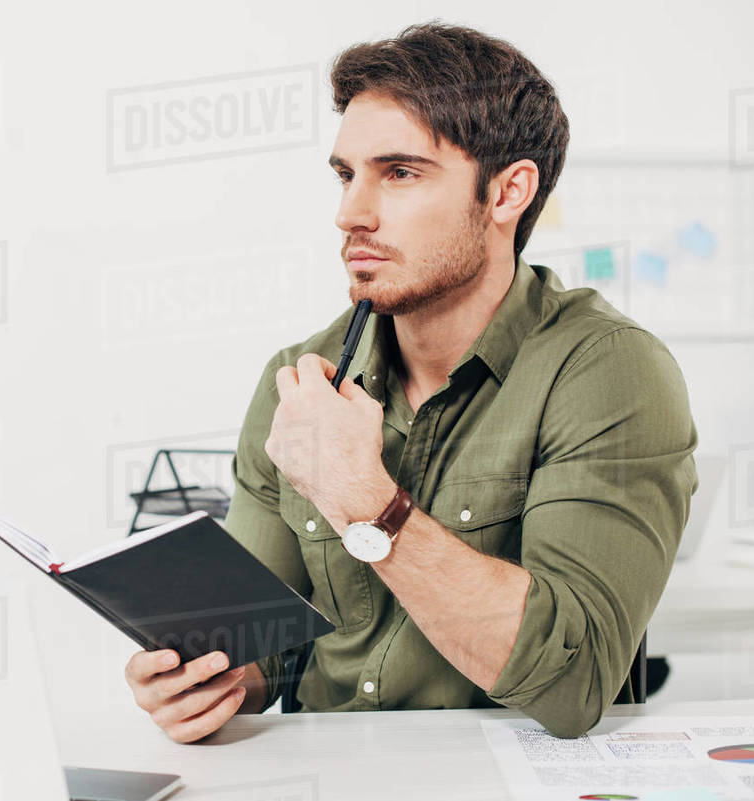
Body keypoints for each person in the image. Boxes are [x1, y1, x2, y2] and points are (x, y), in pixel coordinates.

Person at [123, 21, 698, 742]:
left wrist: (362, 497)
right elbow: (259, 643)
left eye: (399, 172)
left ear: (508, 192)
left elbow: (574, 683)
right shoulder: (300, 378)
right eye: (345, 174)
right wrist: (210, 677)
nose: (350, 213)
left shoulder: (608, 370)